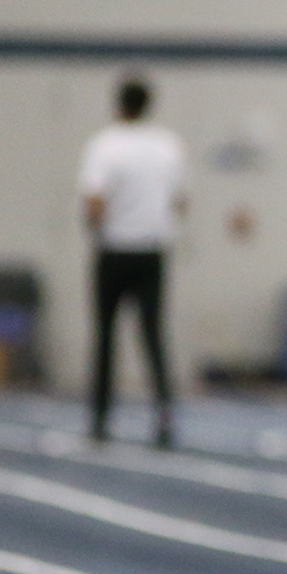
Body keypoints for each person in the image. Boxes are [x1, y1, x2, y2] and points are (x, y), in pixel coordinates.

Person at [79, 74, 186, 448]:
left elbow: (94, 201)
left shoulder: (105, 146)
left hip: (114, 250)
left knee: (105, 337)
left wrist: (99, 229)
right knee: (153, 336)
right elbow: (180, 201)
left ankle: (100, 419)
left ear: (118, 105)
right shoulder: (168, 147)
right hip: (152, 250)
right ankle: (164, 416)